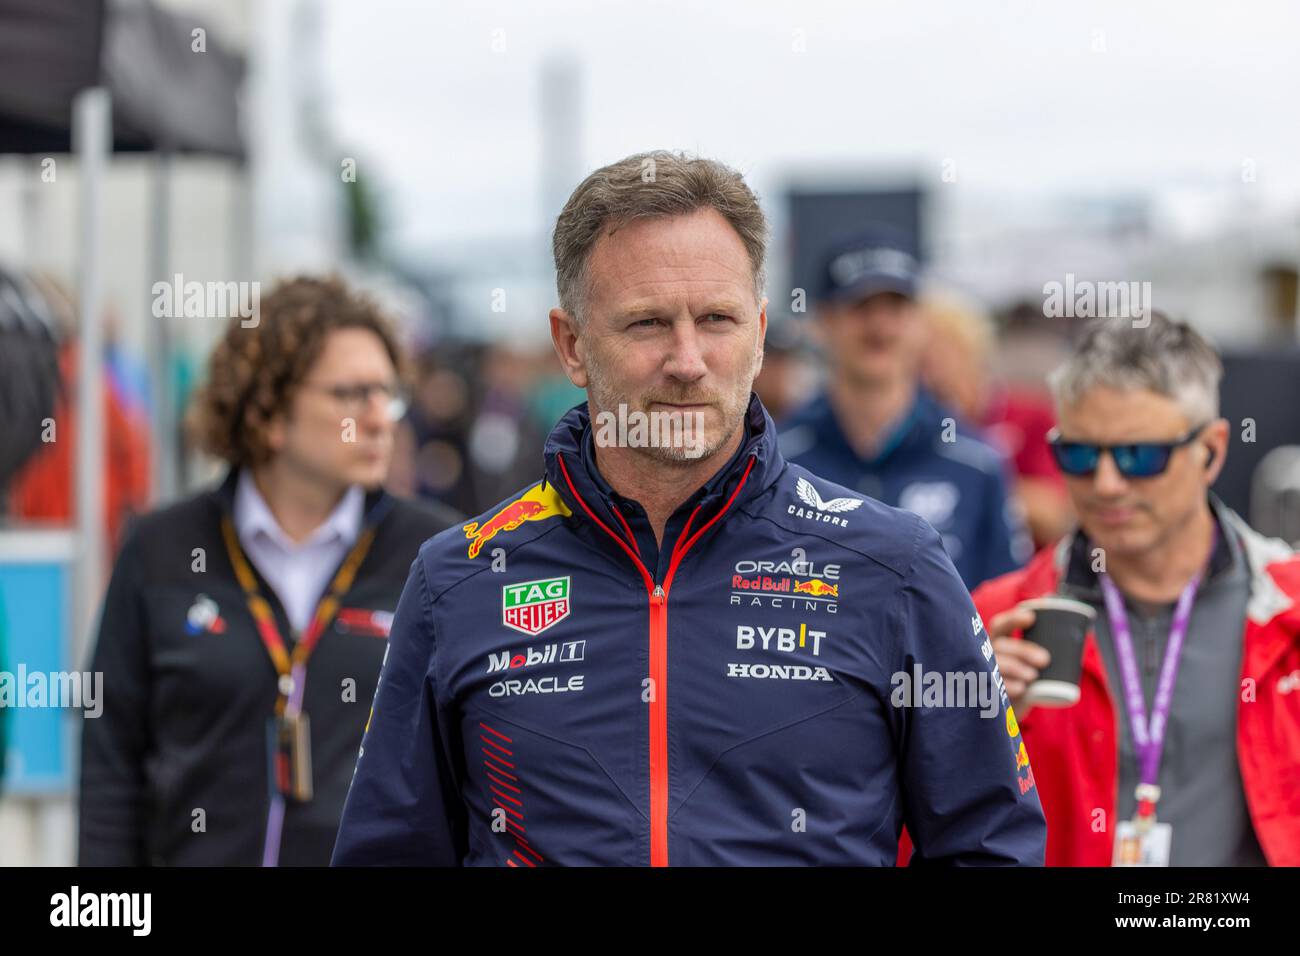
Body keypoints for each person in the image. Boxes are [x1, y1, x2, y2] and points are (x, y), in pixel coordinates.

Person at [332, 152, 1045, 867]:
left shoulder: (892, 564)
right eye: (645, 323)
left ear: (761, 332)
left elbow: (989, 844)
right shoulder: (460, 579)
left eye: (716, 319)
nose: (687, 359)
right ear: (572, 346)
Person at [79, 276, 457, 866]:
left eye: (388, 393)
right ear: (269, 410)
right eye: (352, 394)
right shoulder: (161, 549)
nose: (381, 419)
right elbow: (110, 765)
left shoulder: (438, 554)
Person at [980, 313, 1300, 865]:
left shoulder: (1288, 610)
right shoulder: (997, 617)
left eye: (1139, 456)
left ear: (1212, 451)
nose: (1106, 483)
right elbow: (927, 825)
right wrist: (970, 722)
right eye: (1077, 454)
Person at [779, 230, 1031, 590]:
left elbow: (1007, 600)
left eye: (895, 308)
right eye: (860, 307)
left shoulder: (977, 462)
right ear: (823, 322)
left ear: (920, 324)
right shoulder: (776, 459)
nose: (880, 327)